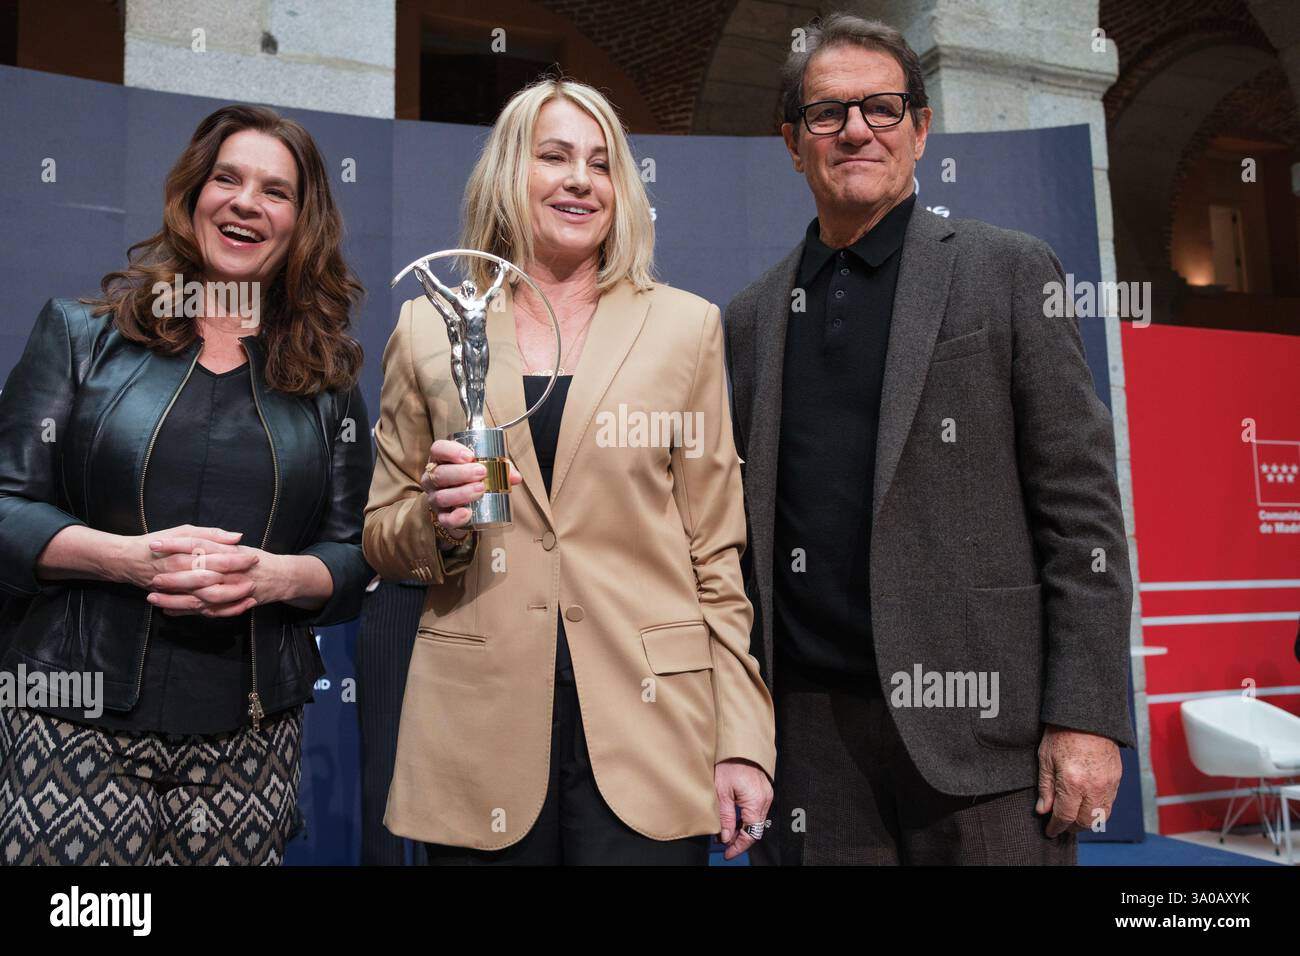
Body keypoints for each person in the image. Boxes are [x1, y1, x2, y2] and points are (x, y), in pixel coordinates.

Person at [724, 14, 1134, 865]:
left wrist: (1086, 714)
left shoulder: (1009, 271)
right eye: (828, 113)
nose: (856, 130)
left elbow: (1080, 513)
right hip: (808, 745)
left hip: (987, 741)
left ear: (920, 127)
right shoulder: (748, 320)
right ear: (793, 141)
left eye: (881, 107)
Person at [364, 77, 775, 865]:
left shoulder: (686, 327)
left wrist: (744, 736)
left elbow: (716, 554)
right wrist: (437, 522)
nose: (580, 179)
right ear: (509, 173)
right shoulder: (429, 327)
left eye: (601, 162)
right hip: (478, 733)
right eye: (554, 157)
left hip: (654, 728)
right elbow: (383, 536)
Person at [0, 104, 374, 865]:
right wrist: (121, 558)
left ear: (300, 223)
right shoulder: (79, 337)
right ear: (192, 197)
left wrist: (278, 577)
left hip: (250, 735)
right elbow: (5, 503)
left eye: (275, 191)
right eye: (226, 178)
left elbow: (354, 553)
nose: (245, 201)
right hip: (71, 717)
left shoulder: (326, 383)